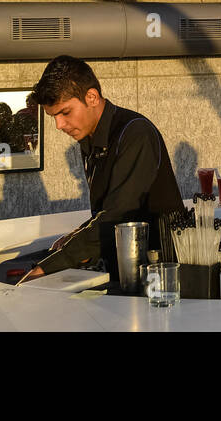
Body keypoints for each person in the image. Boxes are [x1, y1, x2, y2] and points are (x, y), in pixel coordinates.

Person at [21, 56, 183, 282]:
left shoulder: (136, 133)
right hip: (131, 268)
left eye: (65, 113)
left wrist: (51, 265)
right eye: (54, 117)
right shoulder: (91, 138)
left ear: (92, 97)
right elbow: (108, 211)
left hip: (160, 275)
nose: (59, 125)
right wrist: (75, 237)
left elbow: (117, 214)